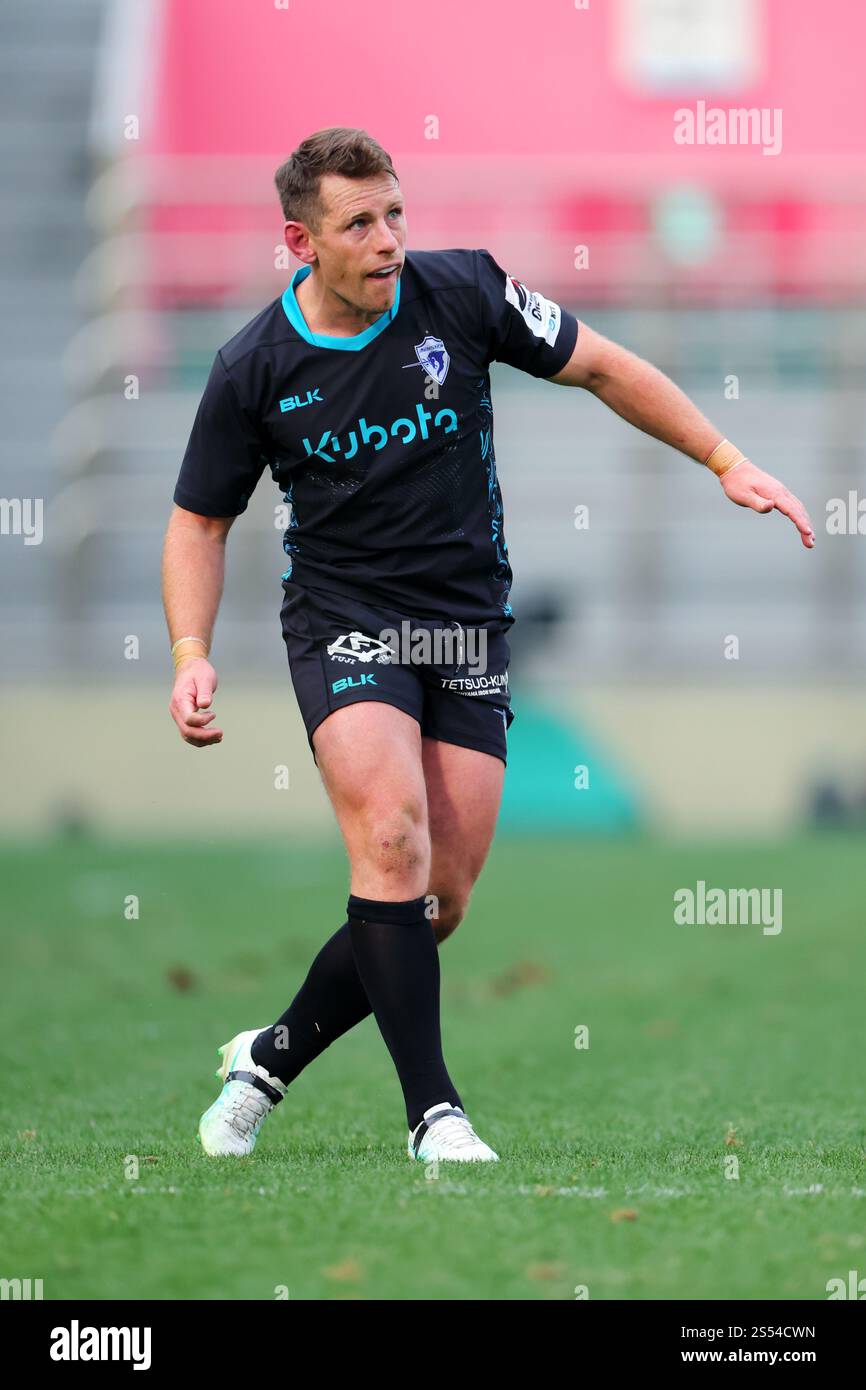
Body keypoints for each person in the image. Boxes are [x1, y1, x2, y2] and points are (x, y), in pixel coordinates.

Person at [162, 126, 814, 1165]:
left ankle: (269, 1056)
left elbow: (598, 365)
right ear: (299, 240)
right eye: (357, 224)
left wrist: (722, 457)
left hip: (465, 624)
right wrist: (191, 649)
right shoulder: (253, 368)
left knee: (434, 901)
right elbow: (198, 521)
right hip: (345, 622)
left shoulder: (463, 292)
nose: (386, 241)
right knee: (388, 837)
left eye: (394, 215)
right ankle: (436, 1115)